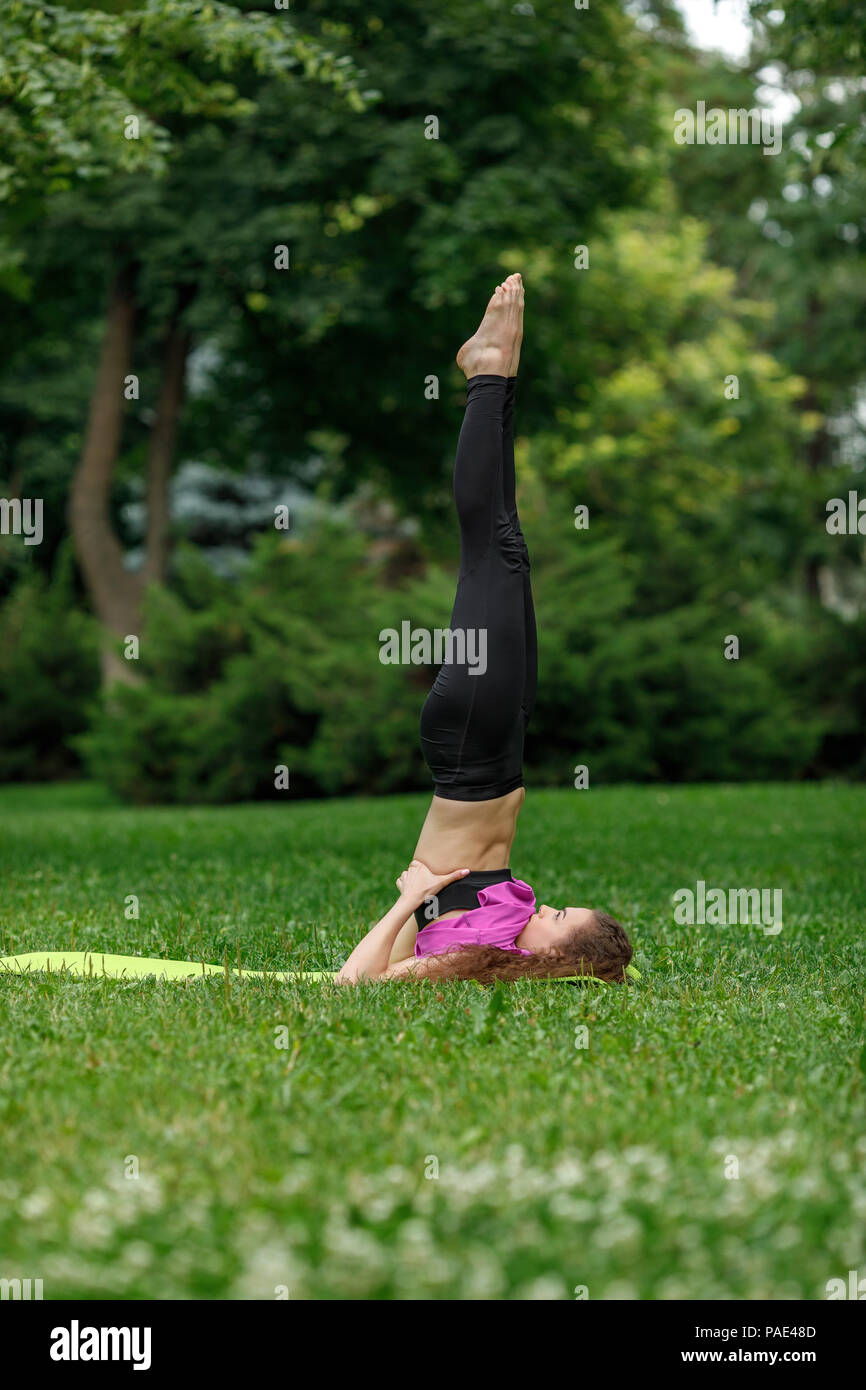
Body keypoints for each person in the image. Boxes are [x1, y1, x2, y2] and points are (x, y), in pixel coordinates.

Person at [337, 274, 633, 986]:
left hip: (470, 747)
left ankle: (489, 373)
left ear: (549, 954)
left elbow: (357, 984)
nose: (552, 904)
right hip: (501, 745)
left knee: (490, 547)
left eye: (562, 918)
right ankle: (495, 373)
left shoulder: (471, 955)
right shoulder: (513, 920)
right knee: (509, 546)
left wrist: (410, 898)